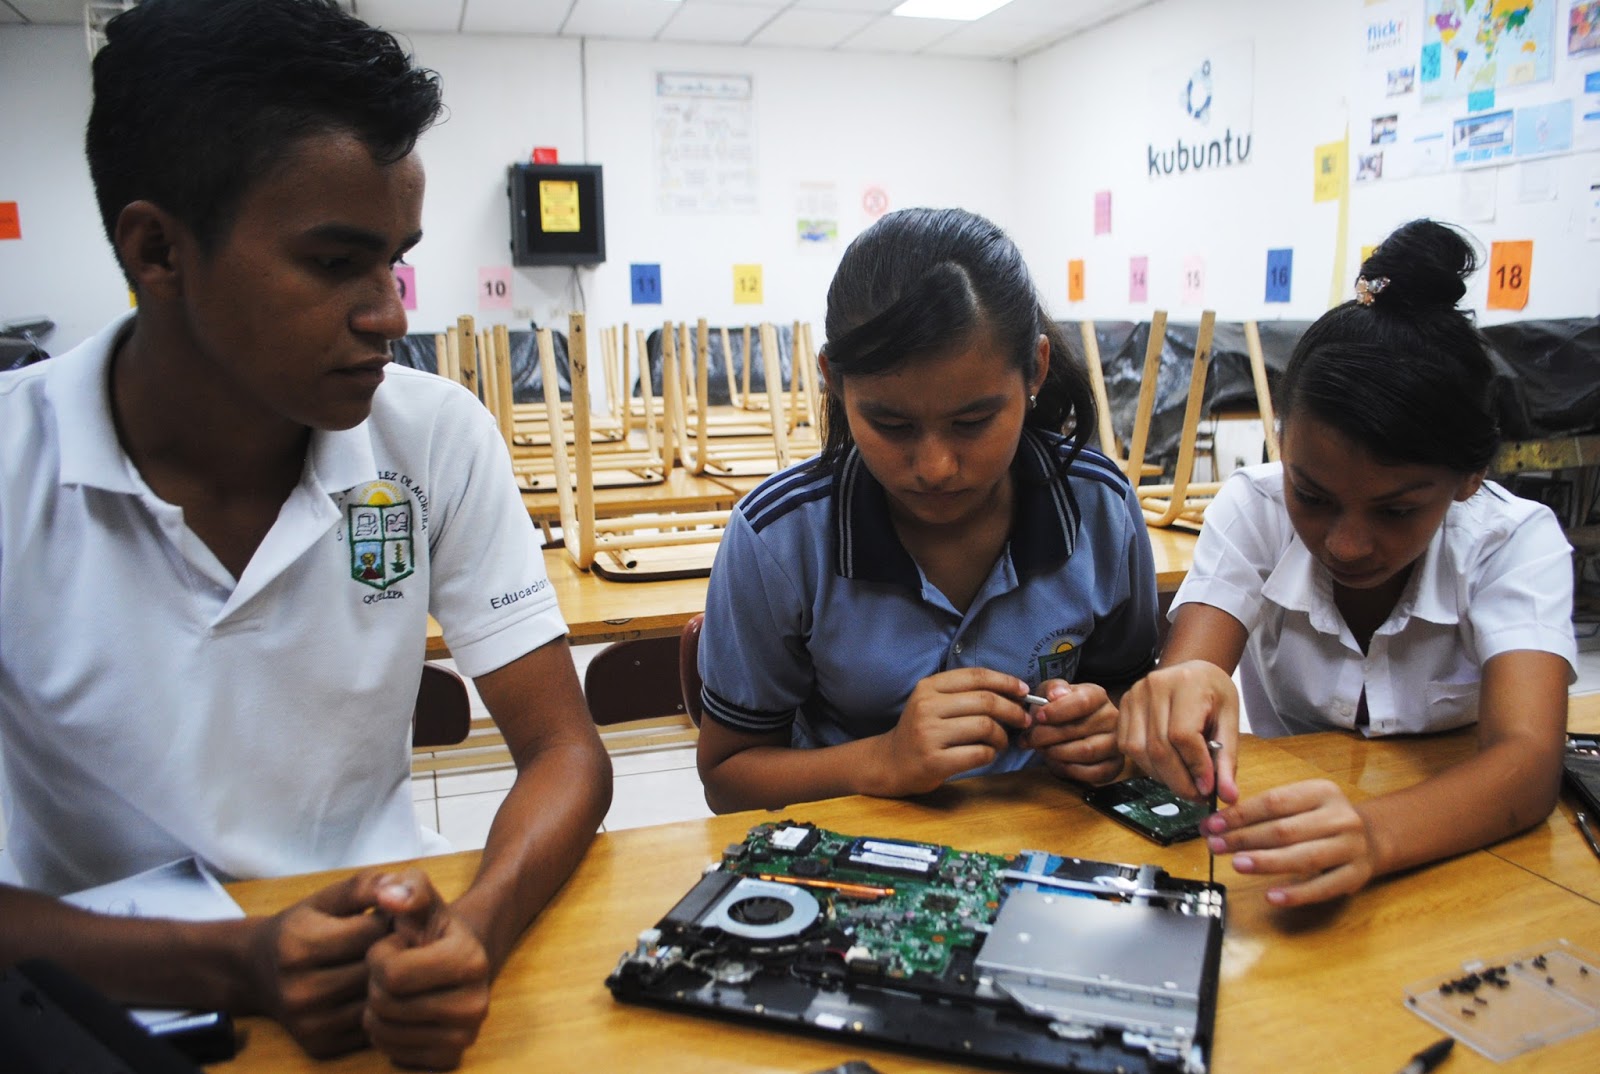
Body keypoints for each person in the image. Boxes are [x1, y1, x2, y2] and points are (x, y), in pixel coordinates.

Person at [0, 1, 611, 1068]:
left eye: (397, 261)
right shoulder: (14, 467)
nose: (387, 312)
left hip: (376, 978)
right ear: (158, 250)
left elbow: (564, 752)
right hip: (98, 1002)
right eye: (336, 264)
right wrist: (237, 962)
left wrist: (475, 930)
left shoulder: (429, 439)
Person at [1118, 219, 1575, 908]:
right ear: (1283, 442)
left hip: (1451, 859)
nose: (1346, 544)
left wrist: (1373, 834)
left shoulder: (1512, 542)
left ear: (1470, 477)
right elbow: (1194, 673)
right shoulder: (1255, 509)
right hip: (1283, 852)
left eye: (1395, 511)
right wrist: (1177, 696)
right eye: (1313, 495)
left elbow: (1528, 763)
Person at [695, 207, 1160, 813]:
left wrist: (1109, 729)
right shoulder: (779, 539)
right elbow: (727, 777)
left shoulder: (1100, 507)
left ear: (1036, 370)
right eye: (891, 423)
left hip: (1049, 845)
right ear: (834, 382)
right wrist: (882, 760)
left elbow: (1132, 687)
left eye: (973, 422)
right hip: (856, 861)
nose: (936, 466)